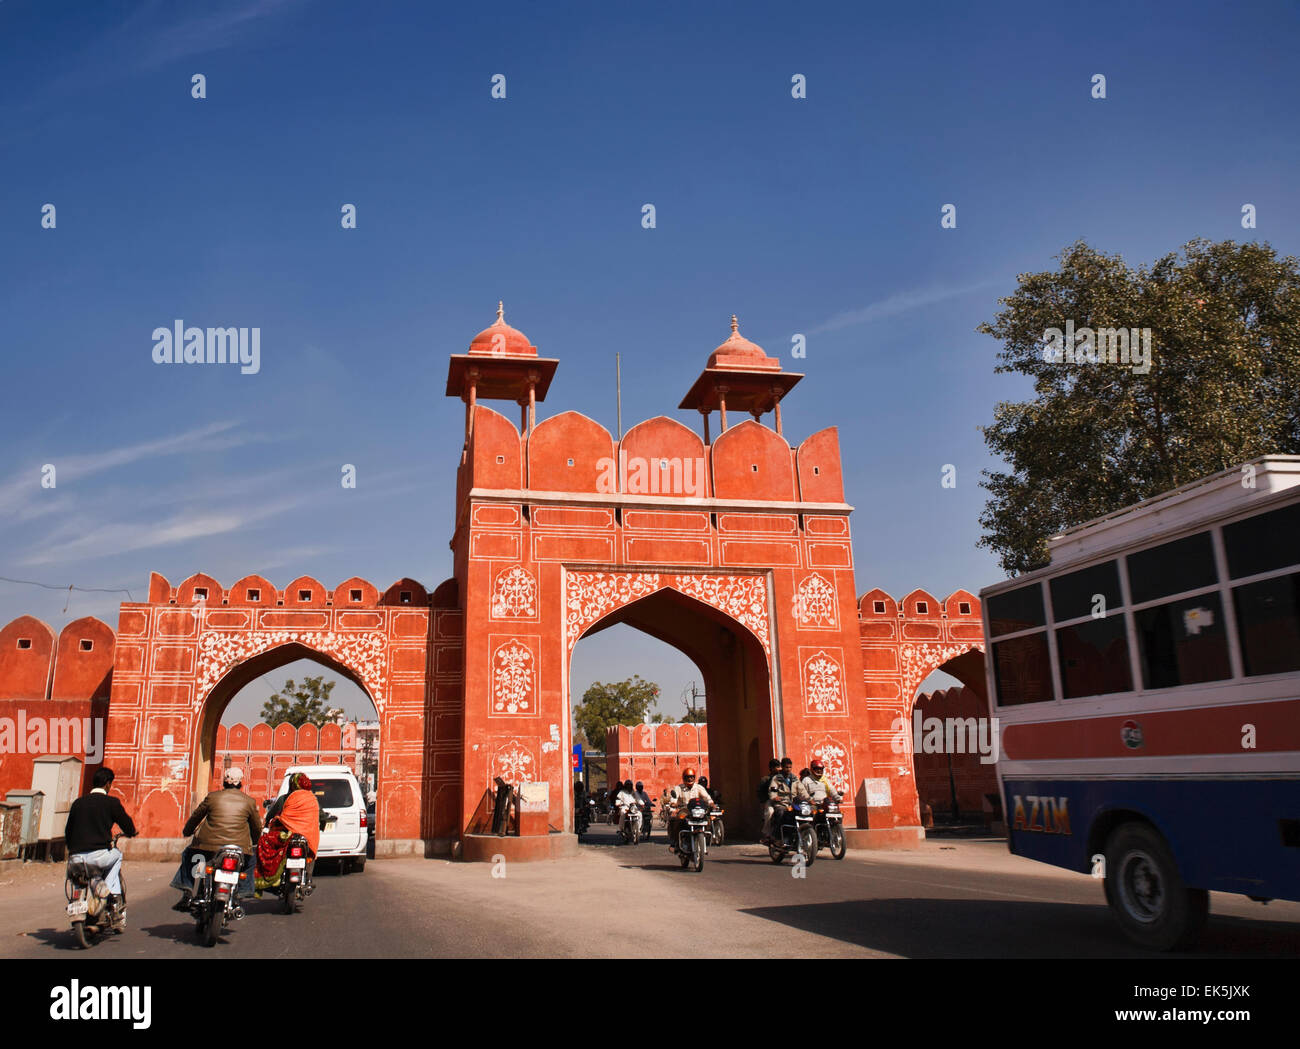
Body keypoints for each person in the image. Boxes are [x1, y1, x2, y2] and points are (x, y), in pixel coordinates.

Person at [170, 767, 262, 911]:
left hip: (208, 846)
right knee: (250, 861)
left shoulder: (212, 797)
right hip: (238, 848)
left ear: (225, 781)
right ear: (240, 783)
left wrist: (187, 831)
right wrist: (254, 842)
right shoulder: (249, 801)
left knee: (193, 857)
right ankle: (243, 891)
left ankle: (188, 891)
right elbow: (256, 827)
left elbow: (196, 816)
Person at [64, 767, 138, 914]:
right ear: (108, 784)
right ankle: (111, 894)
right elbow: (127, 824)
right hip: (98, 856)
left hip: (75, 858)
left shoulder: (78, 803)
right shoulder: (111, 803)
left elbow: (68, 831)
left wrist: (72, 850)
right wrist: (131, 832)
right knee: (117, 856)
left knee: (78, 879)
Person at [256, 772, 321, 895]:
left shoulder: (285, 798)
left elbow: (271, 815)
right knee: (311, 852)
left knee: (272, 849)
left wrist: (267, 824)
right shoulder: (312, 799)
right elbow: (319, 814)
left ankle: (272, 877)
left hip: (287, 833)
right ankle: (309, 877)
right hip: (306, 835)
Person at [665, 767, 715, 854]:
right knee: (678, 820)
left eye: (691, 777)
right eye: (688, 777)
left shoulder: (698, 787)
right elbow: (674, 798)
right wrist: (673, 805)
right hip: (684, 810)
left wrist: (711, 803)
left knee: (707, 820)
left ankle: (706, 838)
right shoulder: (679, 788)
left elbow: (706, 797)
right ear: (684, 778)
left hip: (697, 810)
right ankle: (675, 843)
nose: (690, 779)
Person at [764, 757, 811, 845]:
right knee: (781, 814)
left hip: (793, 804)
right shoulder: (777, 778)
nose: (788, 769)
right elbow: (772, 789)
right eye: (786, 767)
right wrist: (774, 797)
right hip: (781, 803)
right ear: (782, 767)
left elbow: (802, 790)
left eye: (790, 767)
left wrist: (809, 799)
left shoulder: (794, 779)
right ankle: (777, 837)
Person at [757, 758, 781, 841]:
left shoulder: (782, 778)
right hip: (770, 801)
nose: (779, 769)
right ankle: (767, 833)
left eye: (779, 767)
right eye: (777, 767)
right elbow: (760, 792)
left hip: (783, 801)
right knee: (770, 813)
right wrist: (767, 799)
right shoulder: (765, 779)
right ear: (771, 768)